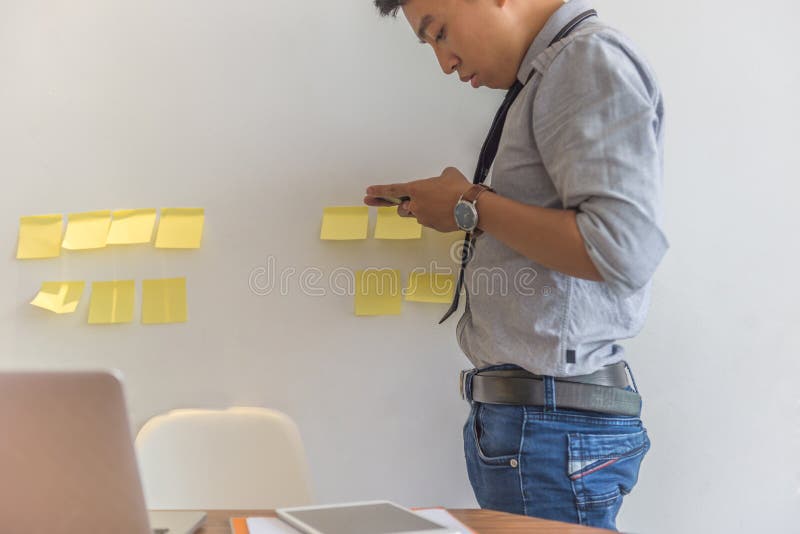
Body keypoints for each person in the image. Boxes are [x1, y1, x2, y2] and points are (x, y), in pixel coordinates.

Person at [365, 0, 668, 530]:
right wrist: (464, 210)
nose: (445, 63)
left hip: (551, 425)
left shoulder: (585, 61)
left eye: (439, 33)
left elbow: (622, 249)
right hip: (540, 422)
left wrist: (470, 204)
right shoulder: (555, 70)